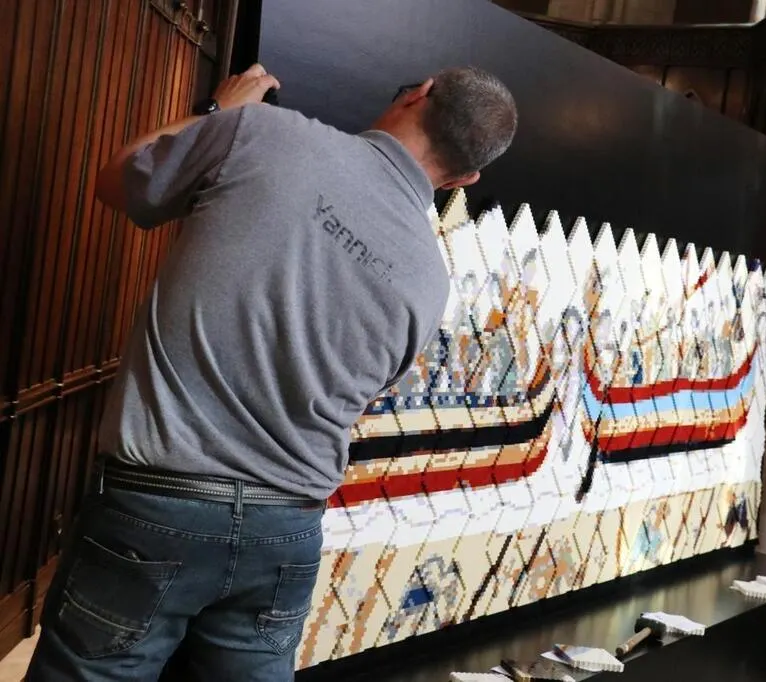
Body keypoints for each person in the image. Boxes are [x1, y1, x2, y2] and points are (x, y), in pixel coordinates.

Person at [26, 63, 517, 681]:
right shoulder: (429, 279)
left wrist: (218, 113)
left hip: (159, 503)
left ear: (418, 94)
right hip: (287, 529)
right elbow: (369, 390)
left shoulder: (259, 132)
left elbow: (120, 183)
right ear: (466, 177)